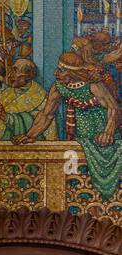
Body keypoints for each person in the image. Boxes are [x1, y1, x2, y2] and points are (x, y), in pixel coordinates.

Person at [16, 48, 122, 198]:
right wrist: (30, 135)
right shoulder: (59, 87)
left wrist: (108, 133)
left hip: (104, 134)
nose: (56, 73)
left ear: (73, 73)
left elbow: (114, 109)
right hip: (81, 136)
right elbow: (47, 114)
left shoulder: (93, 85)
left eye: (61, 70)